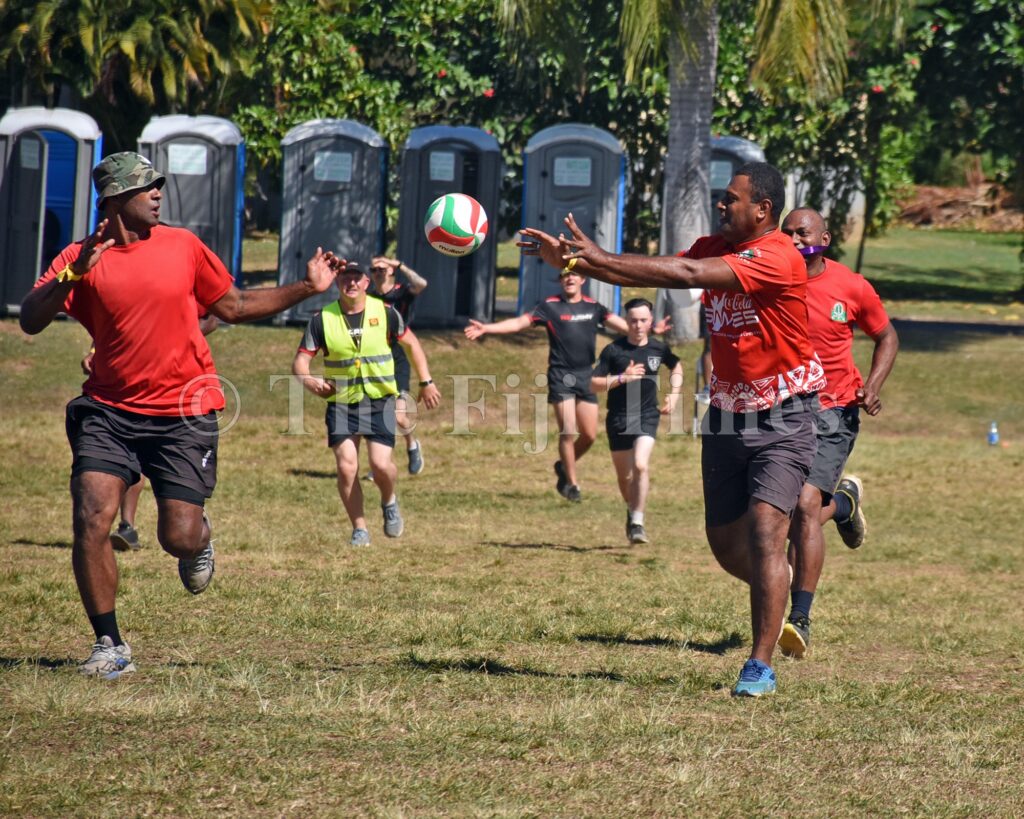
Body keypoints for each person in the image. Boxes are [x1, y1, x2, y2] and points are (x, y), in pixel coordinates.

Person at [19, 151, 337, 679]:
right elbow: (30, 318)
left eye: (158, 185)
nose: (158, 194)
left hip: (183, 413)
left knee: (178, 536)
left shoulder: (184, 246)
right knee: (91, 516)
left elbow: (232, 306)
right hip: (108, 410)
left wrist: (306, 289)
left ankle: (199, 542)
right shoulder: (81, 257)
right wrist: (74, 272)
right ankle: (109, 643)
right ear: (116, 198)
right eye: (146, 187)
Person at [520, 162, 827, 697]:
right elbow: (646, 275)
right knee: (728, 548)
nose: (721, 205)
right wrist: (577, 261)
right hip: (728, 416)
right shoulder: (715, 243)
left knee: (762, 534)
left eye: (732, 198)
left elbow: (684, 277)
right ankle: (789, 579)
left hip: (785, 416)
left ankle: (759, 664)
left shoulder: (779, 257)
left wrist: (590, 254)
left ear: (763, 210)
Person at [777, 207, 899, 659]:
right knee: (785, 515)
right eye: (785, 232)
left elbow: (887, 336)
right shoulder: (773, 282)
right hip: (783, 410)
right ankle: (844, 503)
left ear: (823, 238)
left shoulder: (851, 285)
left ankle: (800, 618)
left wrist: (873, 385)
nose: (791, 239)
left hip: (836, 410)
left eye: (800, 233)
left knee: (806, 507)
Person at [464, 268, 667, 502]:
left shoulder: (593, 307)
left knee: (589, 435)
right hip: (561, 376)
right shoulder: (550, 306)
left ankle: (563, 466)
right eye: (564, 275)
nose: (569, 278)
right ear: (560, 281)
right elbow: (520, 323)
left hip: (587, 376)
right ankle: (572, 484)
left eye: (573, 275)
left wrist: (653, 329)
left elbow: (626, 326)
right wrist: (487, 328)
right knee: (568, 430)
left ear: (583, 279)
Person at [292, 261, 441, 547]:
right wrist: (312, 382)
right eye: (345, 277)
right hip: (342, 402)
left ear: (365, 283)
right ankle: (359, 528)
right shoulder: (322, 319)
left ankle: (389, 501)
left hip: (380, 400)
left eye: (356, 277)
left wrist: (426, 381)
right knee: (347, 467)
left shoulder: (385, 313)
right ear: (337, 282)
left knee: (380, 464)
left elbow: (412, 345)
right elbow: (300, 362)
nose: (351, 282)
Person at [81, 312, 220, 552]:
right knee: (125, 465)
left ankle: (196, 530)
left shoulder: (183, 276)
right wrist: (94, 353)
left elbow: (213, 318)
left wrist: (165, 343)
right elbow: (113, 325)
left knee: (180, 538)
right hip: (118, 394)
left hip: (173, 398)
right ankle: (127, 526)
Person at [590, 298, 683, 545]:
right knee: (625, 478)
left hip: (647, 415)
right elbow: (594, 383)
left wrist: (673, 395)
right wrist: (623, 377)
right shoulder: (613, 350)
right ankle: (632, 512)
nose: (638, 325)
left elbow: (676, 366)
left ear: (650, 321)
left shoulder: (657, 348)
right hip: (618, 419)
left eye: (643, 320)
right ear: (626, 321)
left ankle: (638, 522)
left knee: (641, 465)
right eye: (633, 320)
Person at [368, 256, 430, 476]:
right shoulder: (368, 296)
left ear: (391, 271)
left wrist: (401, 265)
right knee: (376, 416)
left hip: (397, 357)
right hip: (374, 359)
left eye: (382, 269)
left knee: (397, 416)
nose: (377, 272)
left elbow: (422, 284)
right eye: (373, 269)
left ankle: (412, 446)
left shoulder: (402, 292)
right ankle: (379, 465)